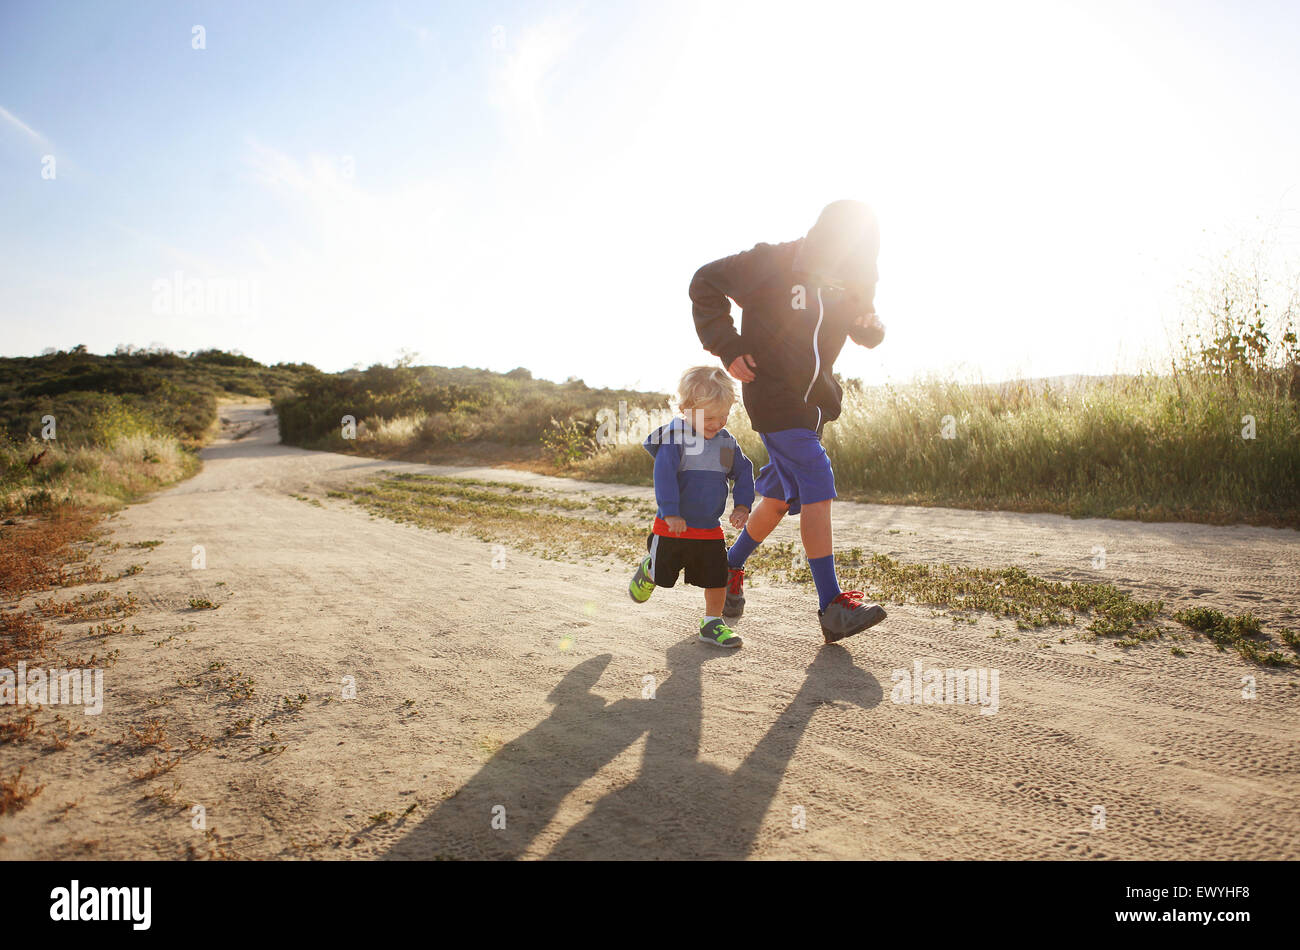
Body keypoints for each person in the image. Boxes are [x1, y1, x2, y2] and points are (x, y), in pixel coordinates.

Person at [688, 199, 888, 643]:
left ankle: (729, 564)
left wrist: (871, 328)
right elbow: (705, 281)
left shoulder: (854, 277)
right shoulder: (771, 262)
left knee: (778, 497)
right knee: (817, 475)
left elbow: (864, 327)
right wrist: (728, 344)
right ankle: (832, 606)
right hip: (772, 393)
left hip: (814, 403)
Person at [628, 366, 755, 648]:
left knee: (716, 577)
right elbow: (664, 476)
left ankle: (712, 623)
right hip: (672, 525)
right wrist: (671, 511)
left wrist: (743, 504)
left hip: (709, 528)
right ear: (685, 409)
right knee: (663, 575)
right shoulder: (675, 439)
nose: (717, 423)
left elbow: (743, 472)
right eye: (709, 417)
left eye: (723, 416)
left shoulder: (725, 443)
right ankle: (650, 568)